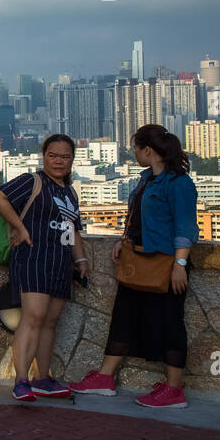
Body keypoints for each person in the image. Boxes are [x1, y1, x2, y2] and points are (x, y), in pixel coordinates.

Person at [70, 125, 198, 409]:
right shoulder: (146, 180)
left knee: (170, 322)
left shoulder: (178, 183)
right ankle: (105, 378)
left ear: (147, 150)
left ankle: (175, 389)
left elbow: (186, 226)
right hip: (138, 260)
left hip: (165, 263)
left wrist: (180, 263)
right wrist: (124, 240)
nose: (134, 153)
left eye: (136, 149)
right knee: (124, 316)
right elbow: (140, 217)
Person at [0, 134, 88, 402]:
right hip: (33, 258)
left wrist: (80, 260)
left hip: (59, 263)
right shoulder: (32, 181)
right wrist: (20, 228)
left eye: (65, 156)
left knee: (50, 323)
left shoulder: (69, 192)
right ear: (43, 156)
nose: (58, 161)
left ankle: (43, 378)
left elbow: (74, 229)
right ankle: (21, 381)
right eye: (53, 155)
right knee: (32, 318)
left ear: (72, 160)